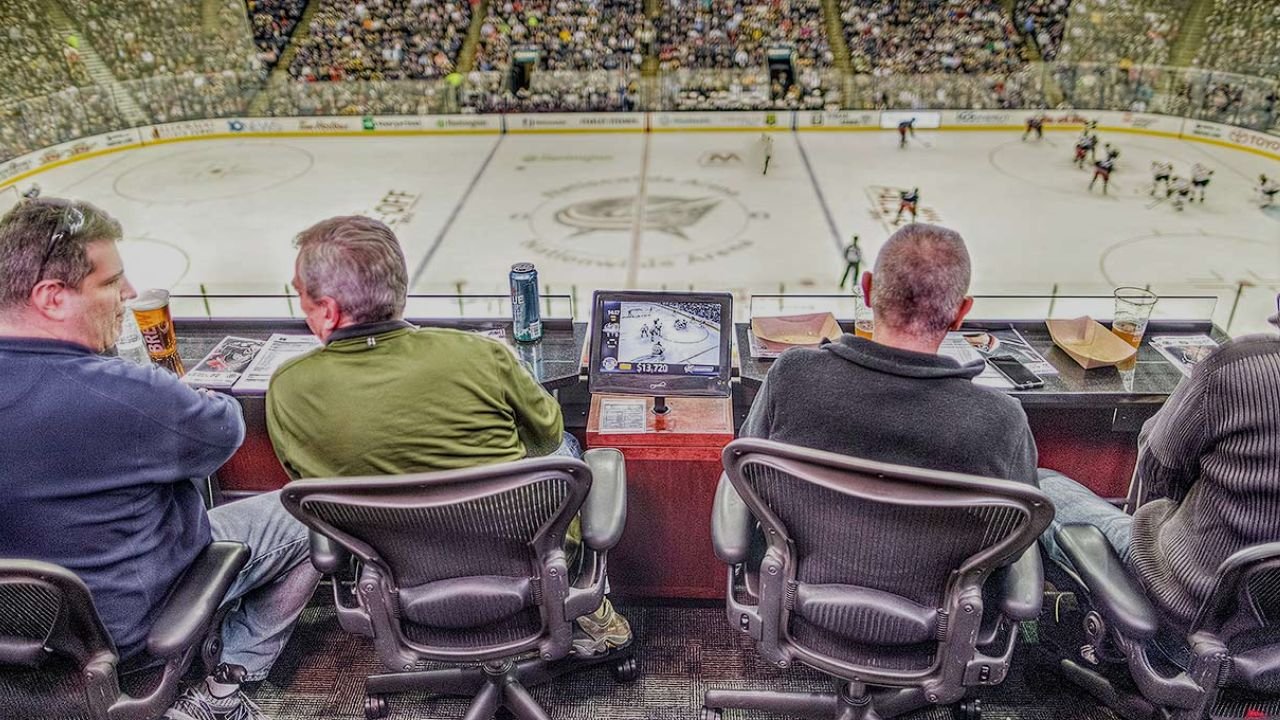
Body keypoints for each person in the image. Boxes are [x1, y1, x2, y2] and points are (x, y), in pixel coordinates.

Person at [0, 198, 319, 720]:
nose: (127, 295)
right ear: (53, 298)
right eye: (110, 282)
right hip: (126, 630)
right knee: (306, 515)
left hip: (16, 634)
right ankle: (225, 687)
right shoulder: (122, 394)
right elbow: (224, 428)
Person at [265, 215, 631, 656]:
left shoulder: (287, 389)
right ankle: (584, 607)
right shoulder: (480, 355)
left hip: (398, 584)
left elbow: (310, 487)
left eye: (301, 295)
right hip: (521, 564)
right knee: (567, 454)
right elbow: (548, 431)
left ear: (328, 310)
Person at [1038, 298, 1280, 660]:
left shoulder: (1243, 365)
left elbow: (1158, 464)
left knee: (1043, 488)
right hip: (1267, 640)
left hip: (1183, 614)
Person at [740, 222, 1038, 484]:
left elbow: (747, 471)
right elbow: (1018, 527)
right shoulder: (1002, 422)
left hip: (806, 549)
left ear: (867, 290)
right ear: (961, 313)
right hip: (954, 552)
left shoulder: (793, 376)